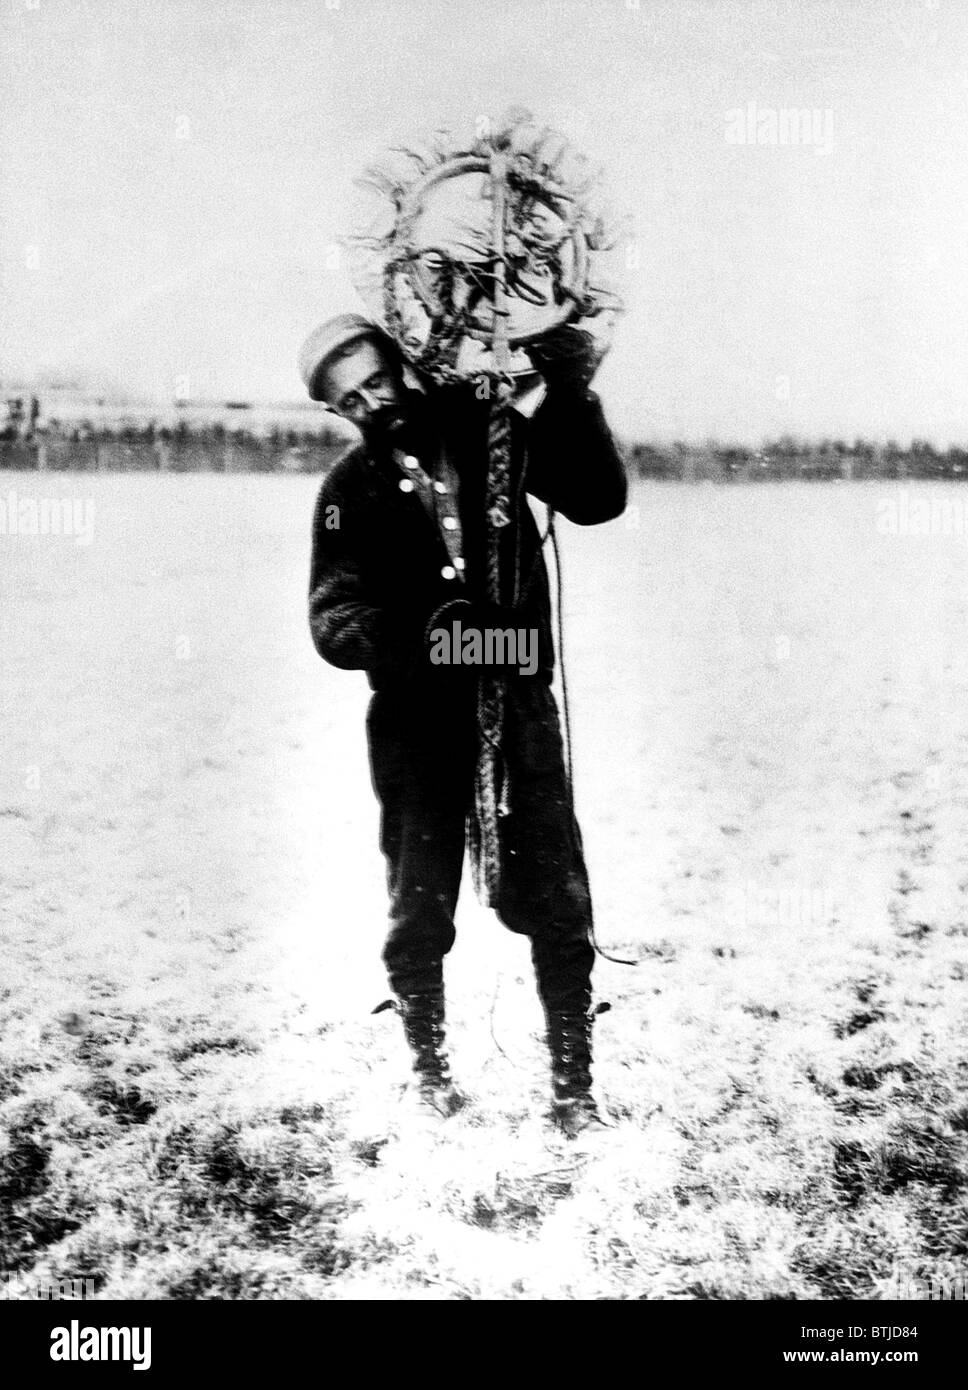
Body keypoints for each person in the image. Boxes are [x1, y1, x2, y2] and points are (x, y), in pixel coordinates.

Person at [300, 312, 627, 1137]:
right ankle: (431, 1077)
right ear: (337, 412)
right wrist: (420, 638)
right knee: (418, 906)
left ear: (404, 366)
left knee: (555, 895)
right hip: (416, 724)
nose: (373, 403)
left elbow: (597, 498)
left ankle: (574, 1090)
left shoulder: (494, 439)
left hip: (517, 709)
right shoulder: (347, 492)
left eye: (378, 382)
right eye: (351, 401)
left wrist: (572, 392)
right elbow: (332, 619)